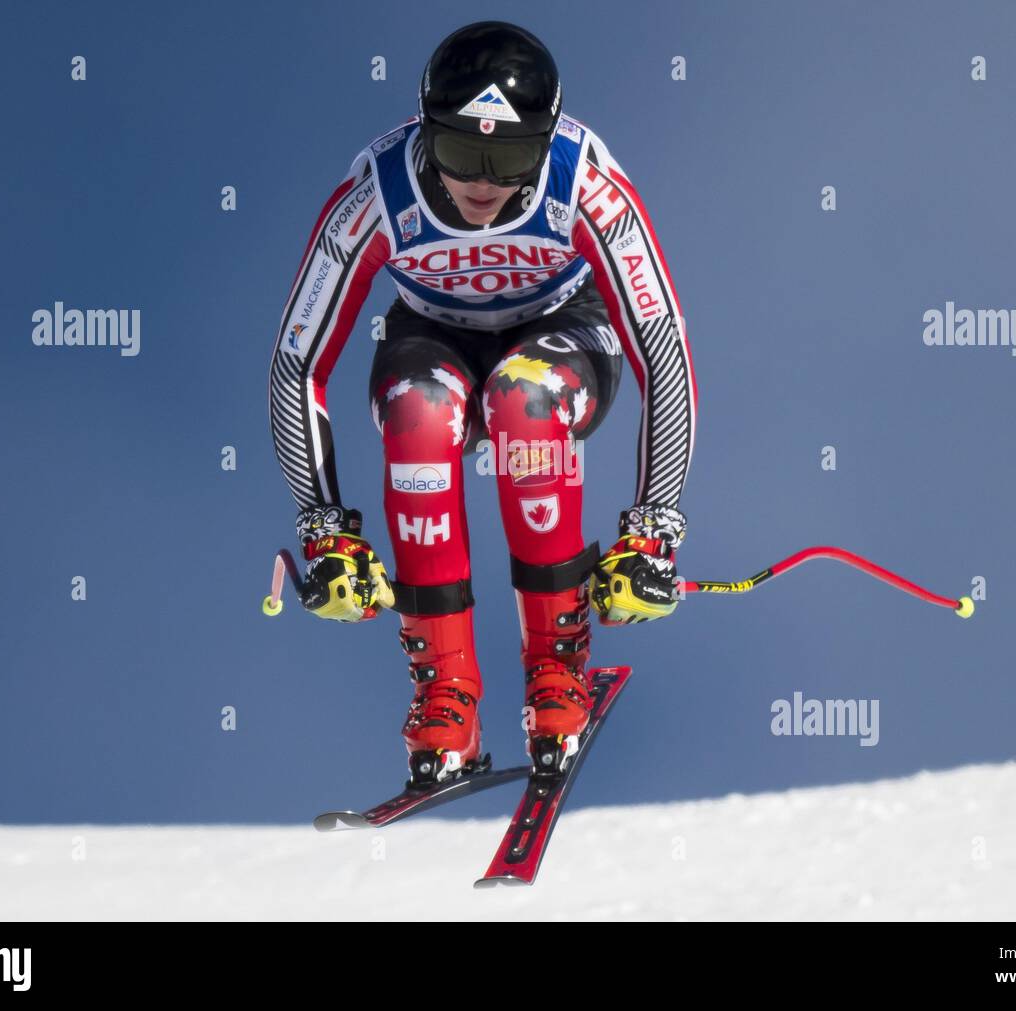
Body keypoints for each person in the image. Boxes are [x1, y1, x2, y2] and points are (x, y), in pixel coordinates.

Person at [268, 20, 697, 784]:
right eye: (464, 152)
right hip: (434, 336)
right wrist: (326, 532)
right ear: (425, 132)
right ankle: (445, 689)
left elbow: (661, 347)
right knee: (418, 411)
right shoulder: (381, 190)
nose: (486, 181)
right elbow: (297, 360)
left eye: (513, 156)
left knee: (524, 398)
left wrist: (653, 531)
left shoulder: (582, 182)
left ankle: (556, 668)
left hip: (565, 330)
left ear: (549, 140)